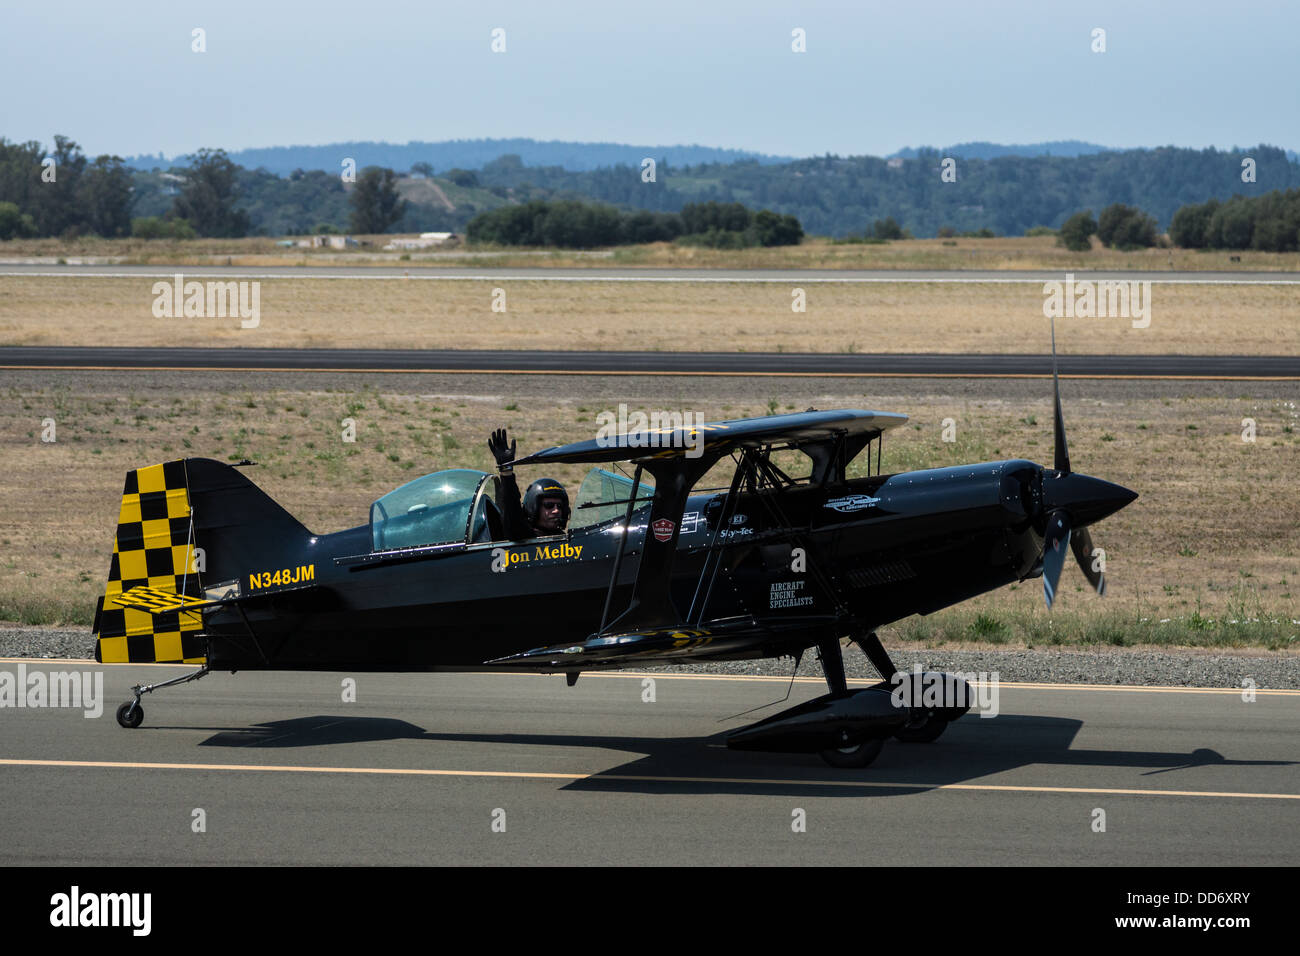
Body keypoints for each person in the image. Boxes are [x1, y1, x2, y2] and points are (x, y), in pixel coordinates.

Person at [488, 427, 570, 539]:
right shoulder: (525, 537)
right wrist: (506, 472)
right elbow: (512, 510)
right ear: (534, 508)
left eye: (559, 506)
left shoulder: (565, 540)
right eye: (549, 505)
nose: (556, 511)